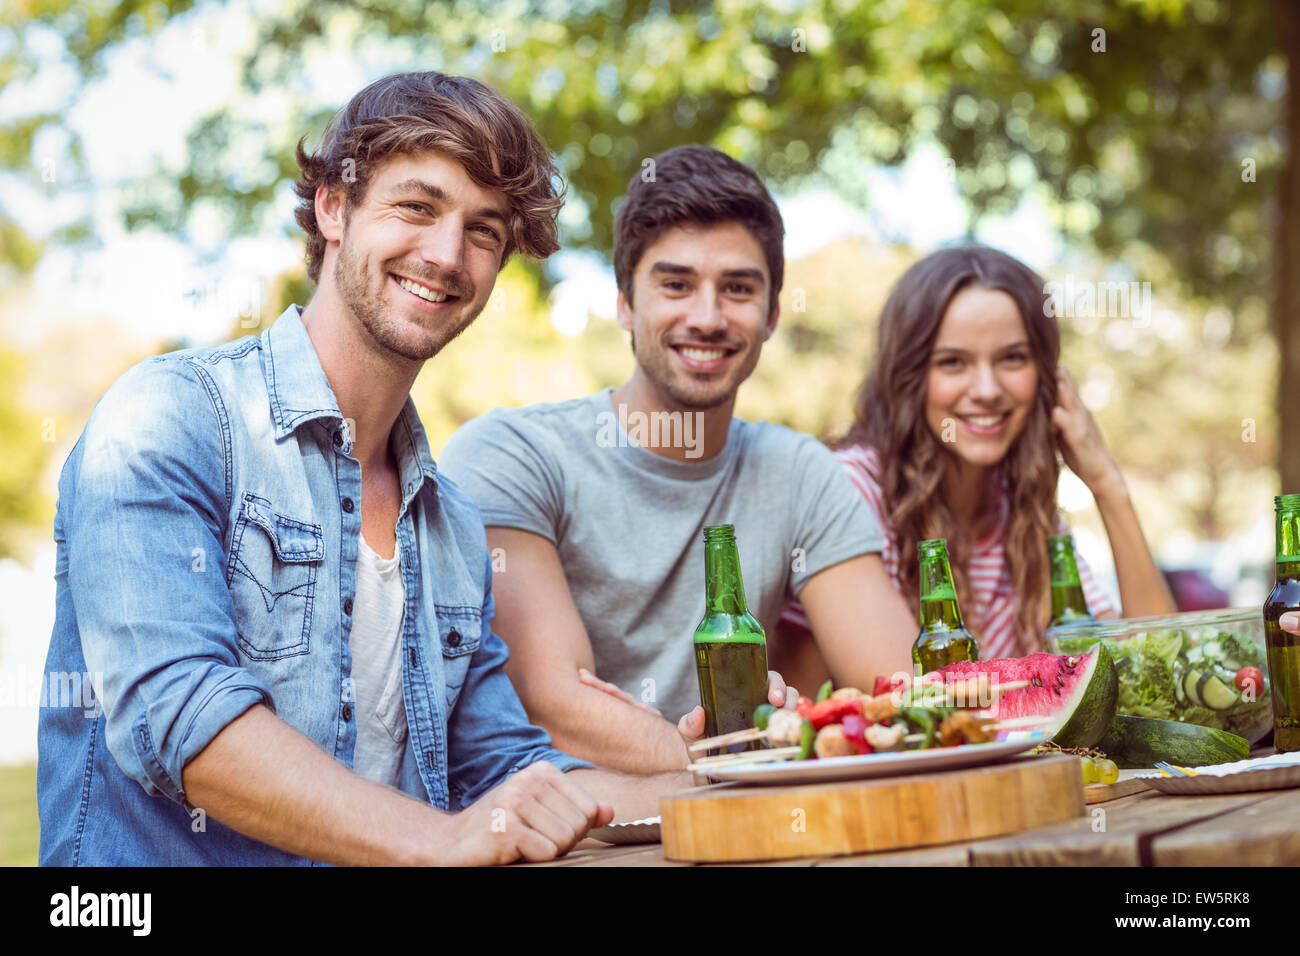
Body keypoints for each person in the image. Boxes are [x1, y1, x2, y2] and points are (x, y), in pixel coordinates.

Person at [37, 71, 688, 867]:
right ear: (334, 208)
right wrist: (440, 837)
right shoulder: (169, 417)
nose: (447, 255)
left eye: (484, 231)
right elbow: (180, 718)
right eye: (417, 207)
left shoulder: (449, 522)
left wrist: (728, 779)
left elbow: (509, 771)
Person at [439, 145, 917, 775]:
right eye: (676, 284)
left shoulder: (800, 472)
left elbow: (902, 689)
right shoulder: (513, 454)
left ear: (772, 313)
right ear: (625, 304)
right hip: (570, 840)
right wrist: (731, 760)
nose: (708, 316)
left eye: (739, 289)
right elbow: (553, 704)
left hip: (741, 825)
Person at [778, 245, 1175, 686]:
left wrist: (1106, 485)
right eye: (953, 362)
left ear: (1049, 380)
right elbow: (913, 706)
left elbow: (1156, 672)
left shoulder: (1025, 511)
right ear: (907, 377)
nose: (986, 389)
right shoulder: (850, 489)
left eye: (1012, 358)